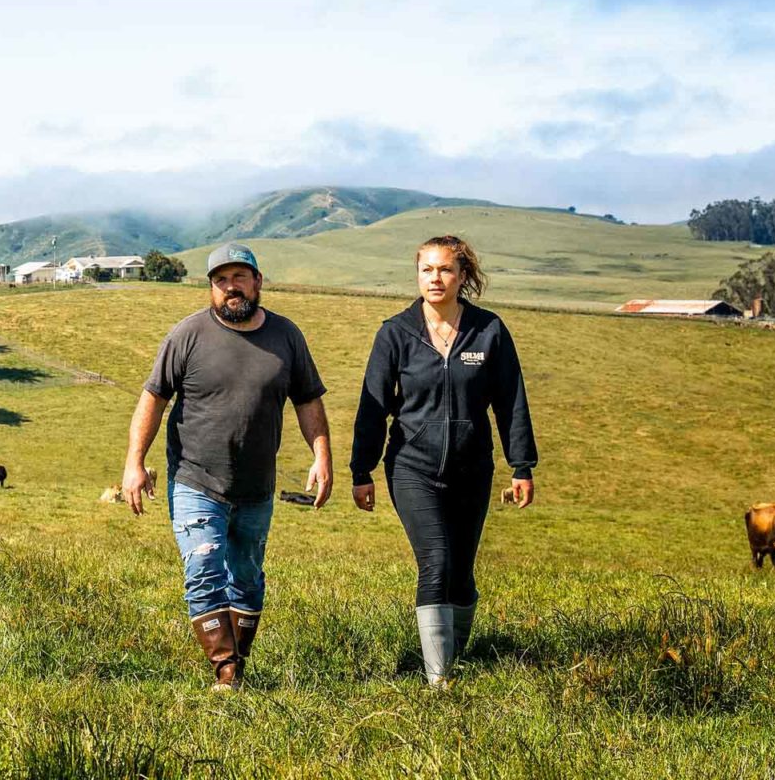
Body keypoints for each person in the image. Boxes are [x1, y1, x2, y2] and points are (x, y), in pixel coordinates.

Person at [123, 241, 333, 691]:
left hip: (257, 484)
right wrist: (134, 463)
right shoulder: (188, 335)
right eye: (220, 281)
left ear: (258, 282)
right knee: (203, 569)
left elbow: (308, 400)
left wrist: (322, 456)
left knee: (248, 578)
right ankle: (226, 671)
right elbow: (153, 399)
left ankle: (238, 662)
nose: (230, 288)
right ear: (210, 289)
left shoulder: (286, 336)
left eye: (239, 278)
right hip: (196, 478)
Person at [349, 235, 536, 687]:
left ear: (463, 276)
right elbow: (372, 404)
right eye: (427, 270)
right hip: (412, 467)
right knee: (436, 560)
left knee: (461, 572)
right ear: (417, 275)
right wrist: (362, 469)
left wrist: (521, 465)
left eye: (445, 269)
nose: (435, 278)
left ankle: (457, 654)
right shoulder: (395, 333)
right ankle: (440, 682)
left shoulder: (489, 331)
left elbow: (511, 401)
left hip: (474, 469)